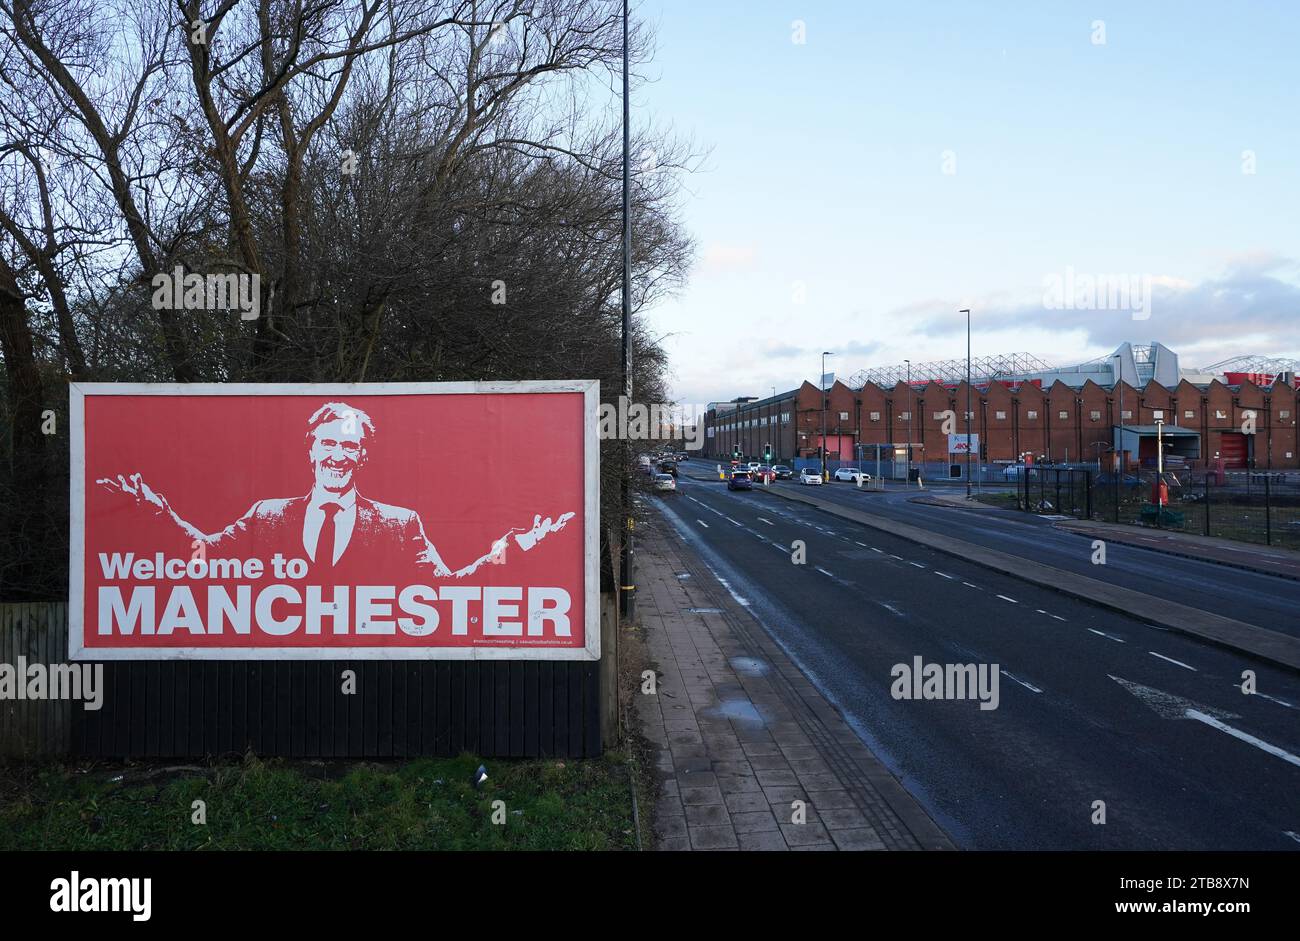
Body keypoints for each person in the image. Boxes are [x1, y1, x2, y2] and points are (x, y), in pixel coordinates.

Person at [96, 401, 573, 580]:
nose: (337, 456)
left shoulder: (399, 523)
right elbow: (205, 556)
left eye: (349, 447)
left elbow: (446, 592)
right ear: (311, 449)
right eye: (328, 444)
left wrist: (514, 548)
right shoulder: (267, 515)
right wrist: (157, 513)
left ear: (362, 456)